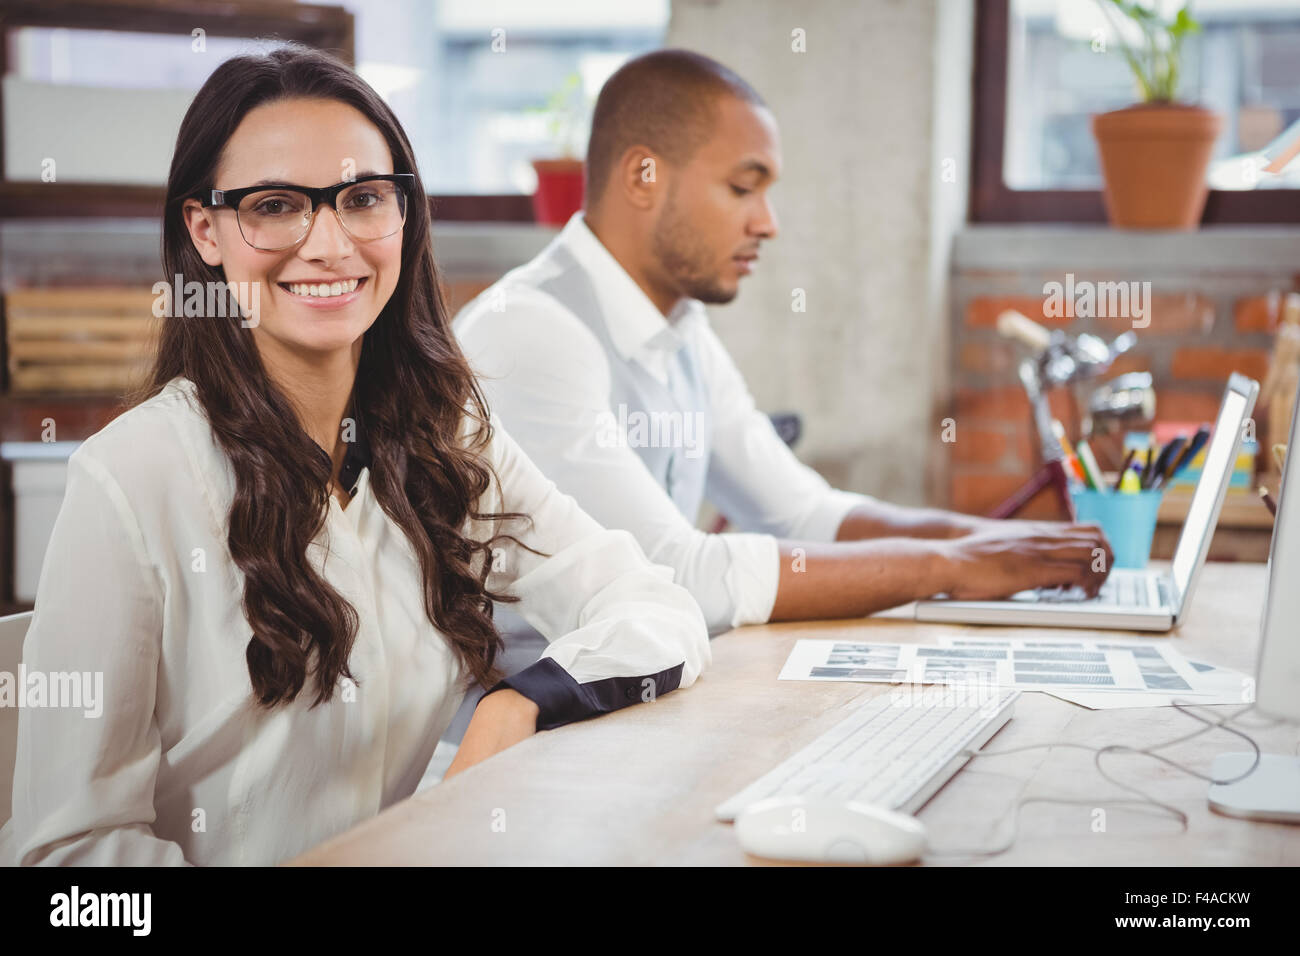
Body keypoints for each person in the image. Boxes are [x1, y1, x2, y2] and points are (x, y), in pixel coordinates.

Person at [0, 45, 709, 867]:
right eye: (274, 206)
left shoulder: (446, 437)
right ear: (205, 231)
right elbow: (66, 858)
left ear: (403, 216)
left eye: (364, 198)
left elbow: (654, 605)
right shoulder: (133, 478)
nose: (330, 244)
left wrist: (520, 703)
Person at [453, 48, 1113, 637]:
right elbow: (673, 574)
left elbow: (803, 516)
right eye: (744, 187)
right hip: (523, 753)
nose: (768, 223)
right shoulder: (531, 334)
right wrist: (948, 566)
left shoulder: (680, 332)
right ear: (642, 178)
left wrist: (1003, 543)